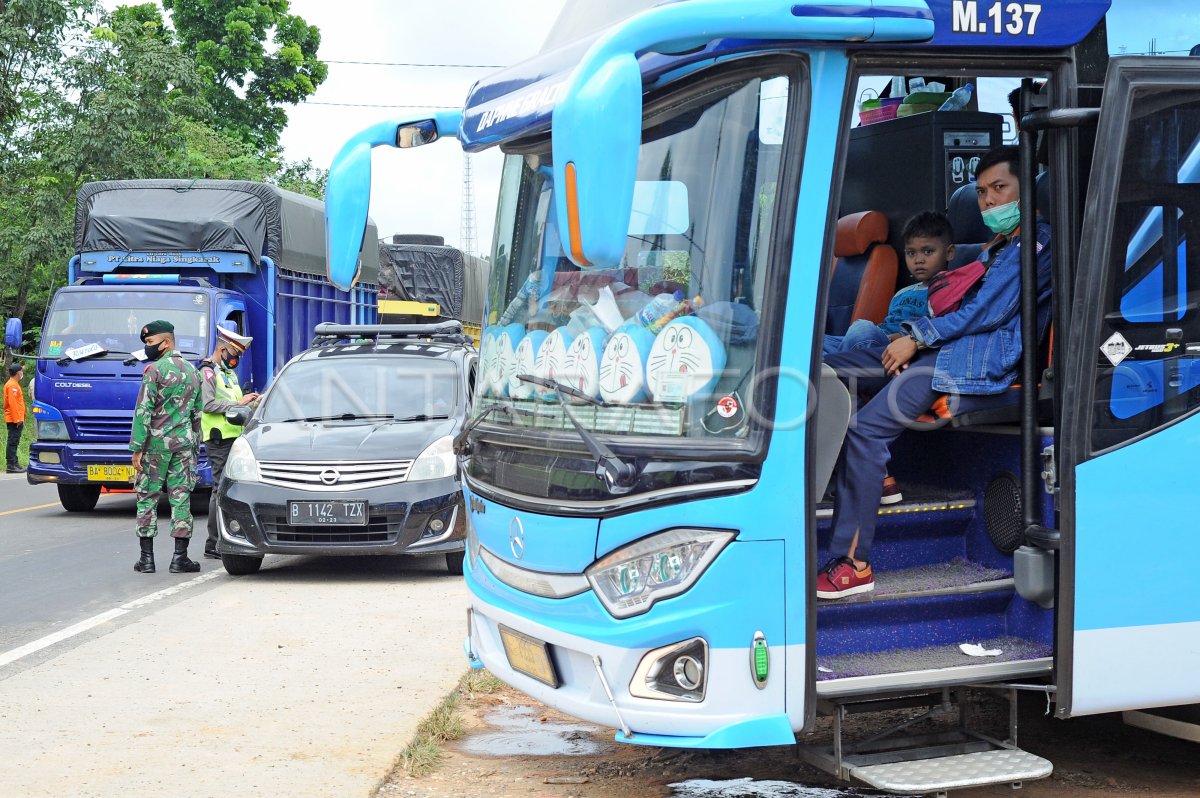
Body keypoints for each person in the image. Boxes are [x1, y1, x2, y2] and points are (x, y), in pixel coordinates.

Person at [817, 146, 1052, 599]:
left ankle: (853, 565)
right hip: (940, 350)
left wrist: (918, 338)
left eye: (999, 188)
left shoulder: (1035, 246)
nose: (989, 201)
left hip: (966, 364)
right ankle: (874, 477)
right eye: (981, 192)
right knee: (825, 371)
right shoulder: (999, 247)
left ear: (1027, 188)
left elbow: (985, 312)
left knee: (866, 430)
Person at [823, 211, 956, 356]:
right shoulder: (902, 293)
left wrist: (891, 338)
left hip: (901, 347)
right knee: (818, 341)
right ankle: (838, 361)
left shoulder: (949, 291)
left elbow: (936, 330)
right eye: (911, 253)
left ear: (949, 252)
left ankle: (838, 363)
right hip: (878, 340)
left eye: (928, 251)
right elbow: (888, 324)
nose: (919, 260)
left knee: (862, 328)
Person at [129, 320, 204, 574]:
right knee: (181, 498)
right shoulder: (194, 372)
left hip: (155, 447)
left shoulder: (154, 371)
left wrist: (137, 447)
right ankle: (180, 558)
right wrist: (194, 445)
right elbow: (197, 414)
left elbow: (143, 411)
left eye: (151, 342)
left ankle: (146, 560)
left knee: (147, 498)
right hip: (183, 445)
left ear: (167, 342)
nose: (148, 347)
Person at [198, 324, 259, 559]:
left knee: (232, 488)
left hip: (234, 437)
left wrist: (251, 402)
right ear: (222, 350)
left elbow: (236, 405)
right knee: (220, 488)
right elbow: (208, 404)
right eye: (235, 354)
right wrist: (239, 403)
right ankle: (213, 543)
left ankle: (230, 537)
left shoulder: (228, 374)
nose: (236, 359)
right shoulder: (208, 372)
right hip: (218, 439)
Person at [4, 362, 26, 473]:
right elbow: (12, 404)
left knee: (14, 441)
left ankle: (14, 463)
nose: (22, 373)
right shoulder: (12, 385)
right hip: (14, 420)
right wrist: (17, 419)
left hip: (16, 418)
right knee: (12, 442)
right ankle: (11, 465)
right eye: (21, 371)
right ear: (18, 373)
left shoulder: (14, 384)